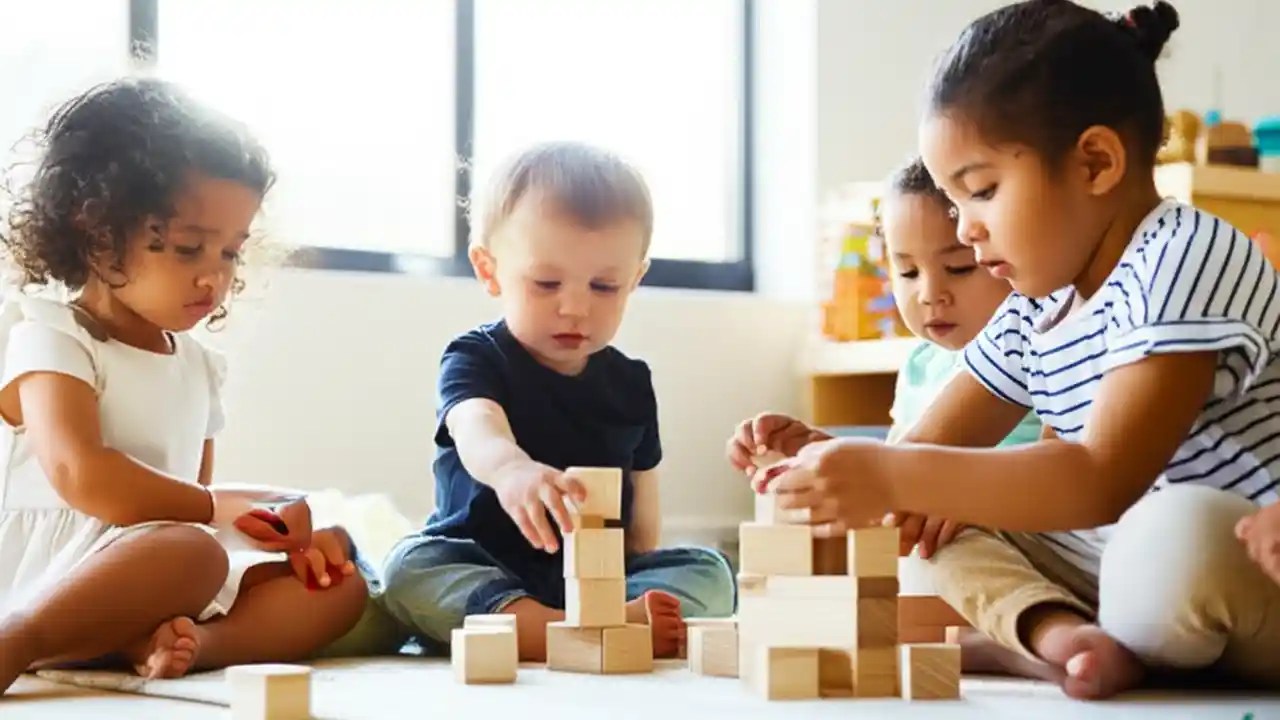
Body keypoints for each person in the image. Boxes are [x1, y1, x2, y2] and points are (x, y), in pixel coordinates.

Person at [730, 0, 1280, 700]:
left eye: (982, 192)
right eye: (956, 204)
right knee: (925, 538)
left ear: (1096, 162)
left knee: (1172, 537)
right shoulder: (1039, 304)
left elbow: (1100, 477)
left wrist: (894, 473)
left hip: (1238, 559)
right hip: (1119, 566)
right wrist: (830, 464)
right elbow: (925, 455)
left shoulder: (1183, 255)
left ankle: (1079, 633)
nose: (968, 231)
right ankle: (1061, 636)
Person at [0, 78, 368, 695]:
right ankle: (22, 637)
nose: (213, 277)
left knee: (341, 585)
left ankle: (187, 646)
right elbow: (83, 476)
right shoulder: (51, 336)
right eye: (188, 247)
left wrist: (288, 519)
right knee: (194, 554)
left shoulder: (197, 365)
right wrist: (215, 513)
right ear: (95, 233)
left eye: (229, 253)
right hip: (53, 570)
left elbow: (191, 495)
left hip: (155, 560)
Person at [381, 141, 735, 661]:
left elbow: (643, 499)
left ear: (635, 279)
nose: (575, 307)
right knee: (407, 570)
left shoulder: (632, 383)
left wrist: (640, 565)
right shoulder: (476, 357)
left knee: (712, 572)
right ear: (489, 270)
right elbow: (476, 426)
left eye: (604, 286)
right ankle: (562, 631)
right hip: (487, 565)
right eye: (546, 284)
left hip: (598, 577)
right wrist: (511, 471)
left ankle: (606, 617)